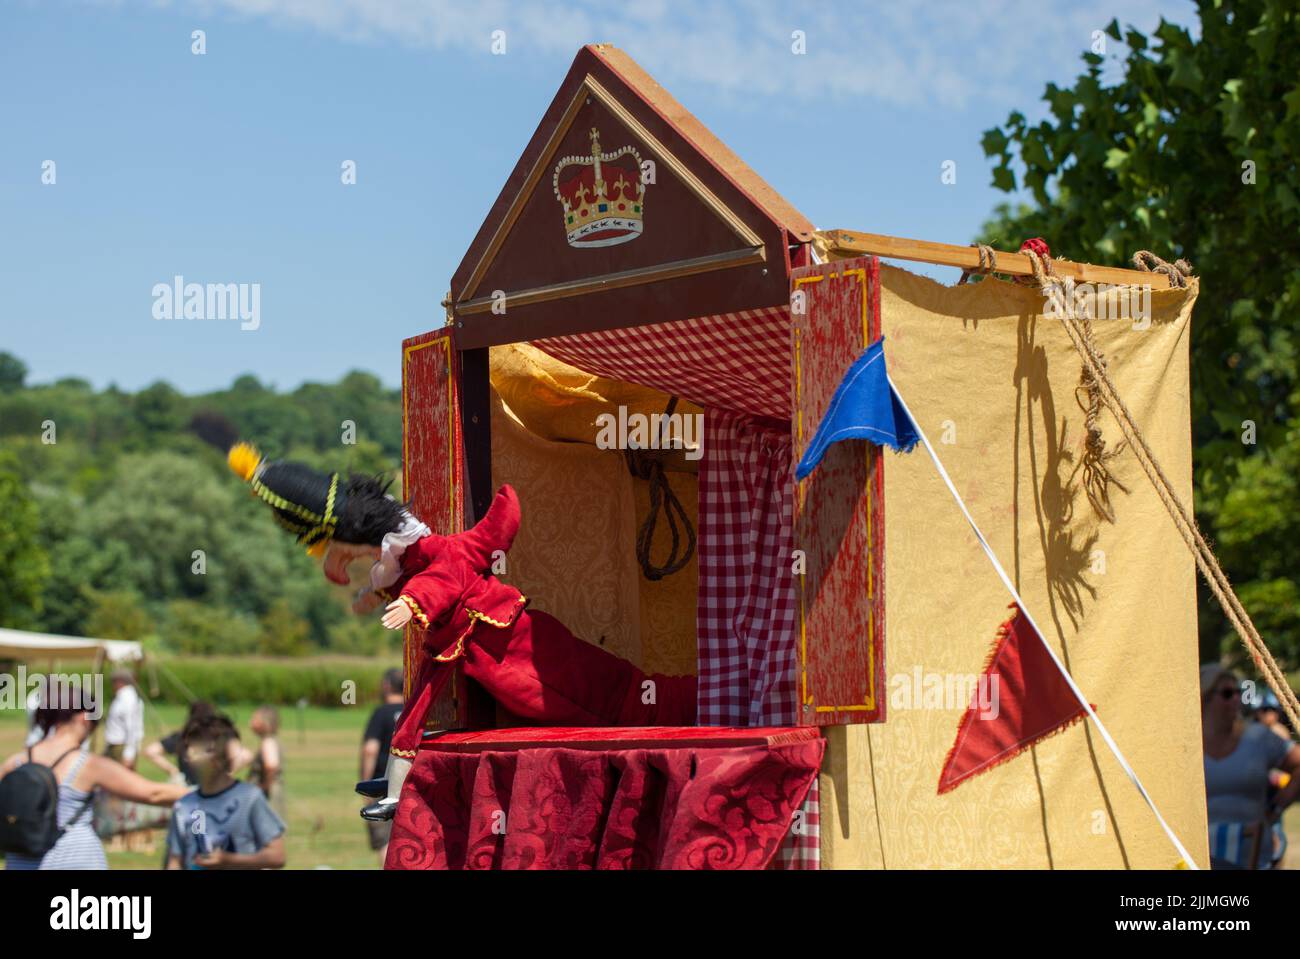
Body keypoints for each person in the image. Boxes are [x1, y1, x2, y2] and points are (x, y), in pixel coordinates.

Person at [1, 700, 190, 870]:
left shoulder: (16, 762)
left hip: (21, 862)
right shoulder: (87, 765)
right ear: (84, 717)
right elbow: (153, 793)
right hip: (75, 861)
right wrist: (208, 794)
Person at [1201, 664, 1300, 869]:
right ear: (1205, 697)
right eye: (1227, 694)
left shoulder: (1257, 737)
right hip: (1201, 853)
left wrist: (1277, 807)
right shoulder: (1186, 746)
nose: (1237, 698)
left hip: (1253, 854)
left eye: (1238, 692)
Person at [164, 711, 286, 870]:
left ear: (219, 754)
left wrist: (230, 860)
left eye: (196, 749)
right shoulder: (184, 806)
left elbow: (277, 856)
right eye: (188, 749)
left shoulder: (249, 798)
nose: (188, 757)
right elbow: (175, 861)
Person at [143, 701, 250, 785]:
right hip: (215, 787)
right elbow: (245, 756)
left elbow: (151, 751)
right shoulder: (220, 735)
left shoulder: (182, 735)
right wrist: (228, 773)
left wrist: (173, 771)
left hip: (187, 787)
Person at [360, 669, 405, 860]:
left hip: (383, 785)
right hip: (408, 782)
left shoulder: (381, 713)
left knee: (385, 842)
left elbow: (370, 749)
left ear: (387, 685)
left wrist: (365, 782)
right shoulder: (412, 710)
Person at [247, 705, 285, 819]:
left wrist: (264, 786)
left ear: (265, 723)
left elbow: (271, 766)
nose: (250, 722)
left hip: (268, 794)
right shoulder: (270, 740)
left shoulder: (268, 741)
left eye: (254, 719)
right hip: (271, 791)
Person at [103, 669, 145, 769]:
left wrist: (129, 753)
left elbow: (133, 727)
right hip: (114, 745)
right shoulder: (121, 697)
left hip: (122, 745)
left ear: (120, 681)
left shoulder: (129, 699)